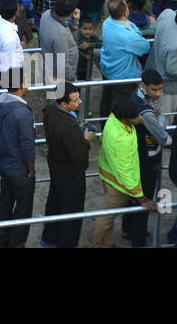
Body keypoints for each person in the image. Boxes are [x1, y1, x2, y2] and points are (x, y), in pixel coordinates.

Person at [90, 97, 159, 247]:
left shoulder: (113, 118)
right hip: (118, 184)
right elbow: (125, 172)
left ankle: (107, 244)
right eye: (137, 116)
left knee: (108, 217)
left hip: (107, 173)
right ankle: (93, 244)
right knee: (106, 218)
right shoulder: (122, 140)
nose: (140, 117)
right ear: (125, 119)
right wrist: (140, 197)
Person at [41, 82, 96, 248]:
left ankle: (49, 238)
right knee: (72, 213)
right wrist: (85, 139)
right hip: (71, 173)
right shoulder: (67, 126)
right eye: (75, 101)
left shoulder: (51, 110)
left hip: (56, 166)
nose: (79, 103)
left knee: (55, 203)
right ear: (63, 104)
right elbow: (79, 156)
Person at [0, 71, 36, 248]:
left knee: (5, 202)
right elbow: (27, 143)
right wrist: (31, 168)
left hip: (4, 163)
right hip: (20, 168)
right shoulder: (22, 113)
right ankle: (17, 243)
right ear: (21, 85)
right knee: (23, 207)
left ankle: (4, 238)